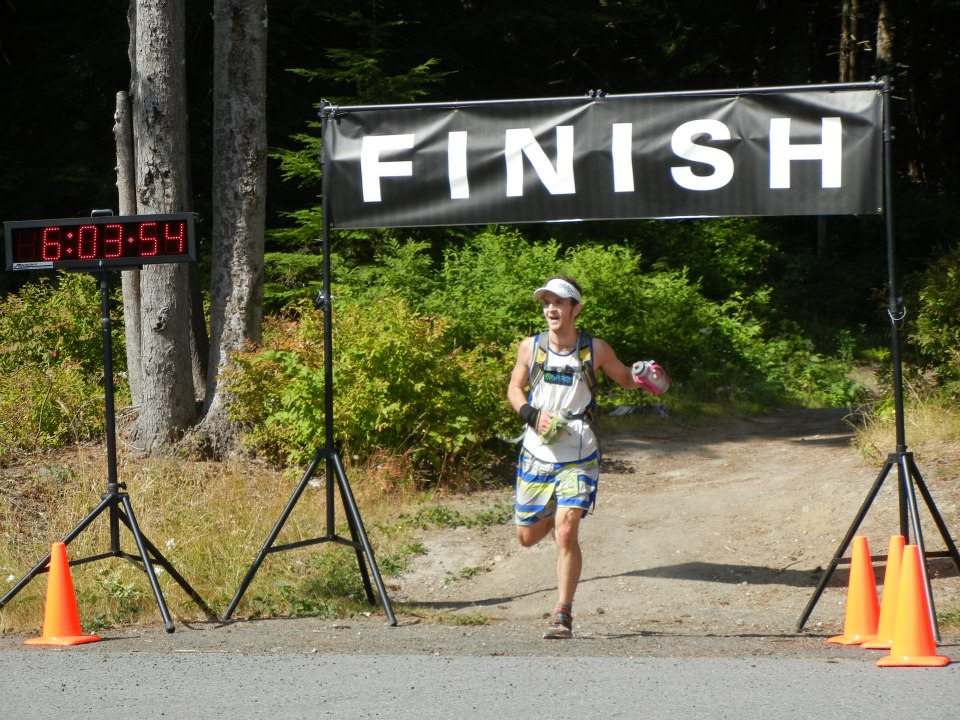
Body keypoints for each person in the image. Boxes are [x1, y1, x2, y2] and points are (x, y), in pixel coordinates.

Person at [507, 275, 669, 638]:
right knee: (528, 537)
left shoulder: (595, 349)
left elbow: (626, 379)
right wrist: (531, 415)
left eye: (559, 302)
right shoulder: (529, 348)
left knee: (566, 532)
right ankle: (549, 511)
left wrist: (646, 375)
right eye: (546, 302)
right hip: (536, 452)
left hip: (580, 451)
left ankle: (563, 614)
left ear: (575, 309)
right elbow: (514, 388)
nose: (551, 308)